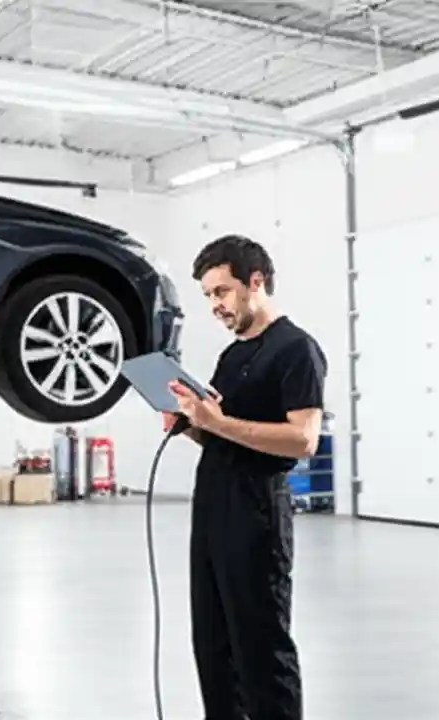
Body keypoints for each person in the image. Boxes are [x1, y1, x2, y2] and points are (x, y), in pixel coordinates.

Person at [165, 234, 327, 720]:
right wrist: (190, 425)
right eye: (208, 296)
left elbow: (303, 440)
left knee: (260, 648)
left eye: (221, 291)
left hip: (258, 512)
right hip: (213, 506)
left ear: (255, 282)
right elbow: (223, 436)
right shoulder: (233, 355)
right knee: (213, 647)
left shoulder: (296, 349)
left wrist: (217, 423)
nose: (215, 305)